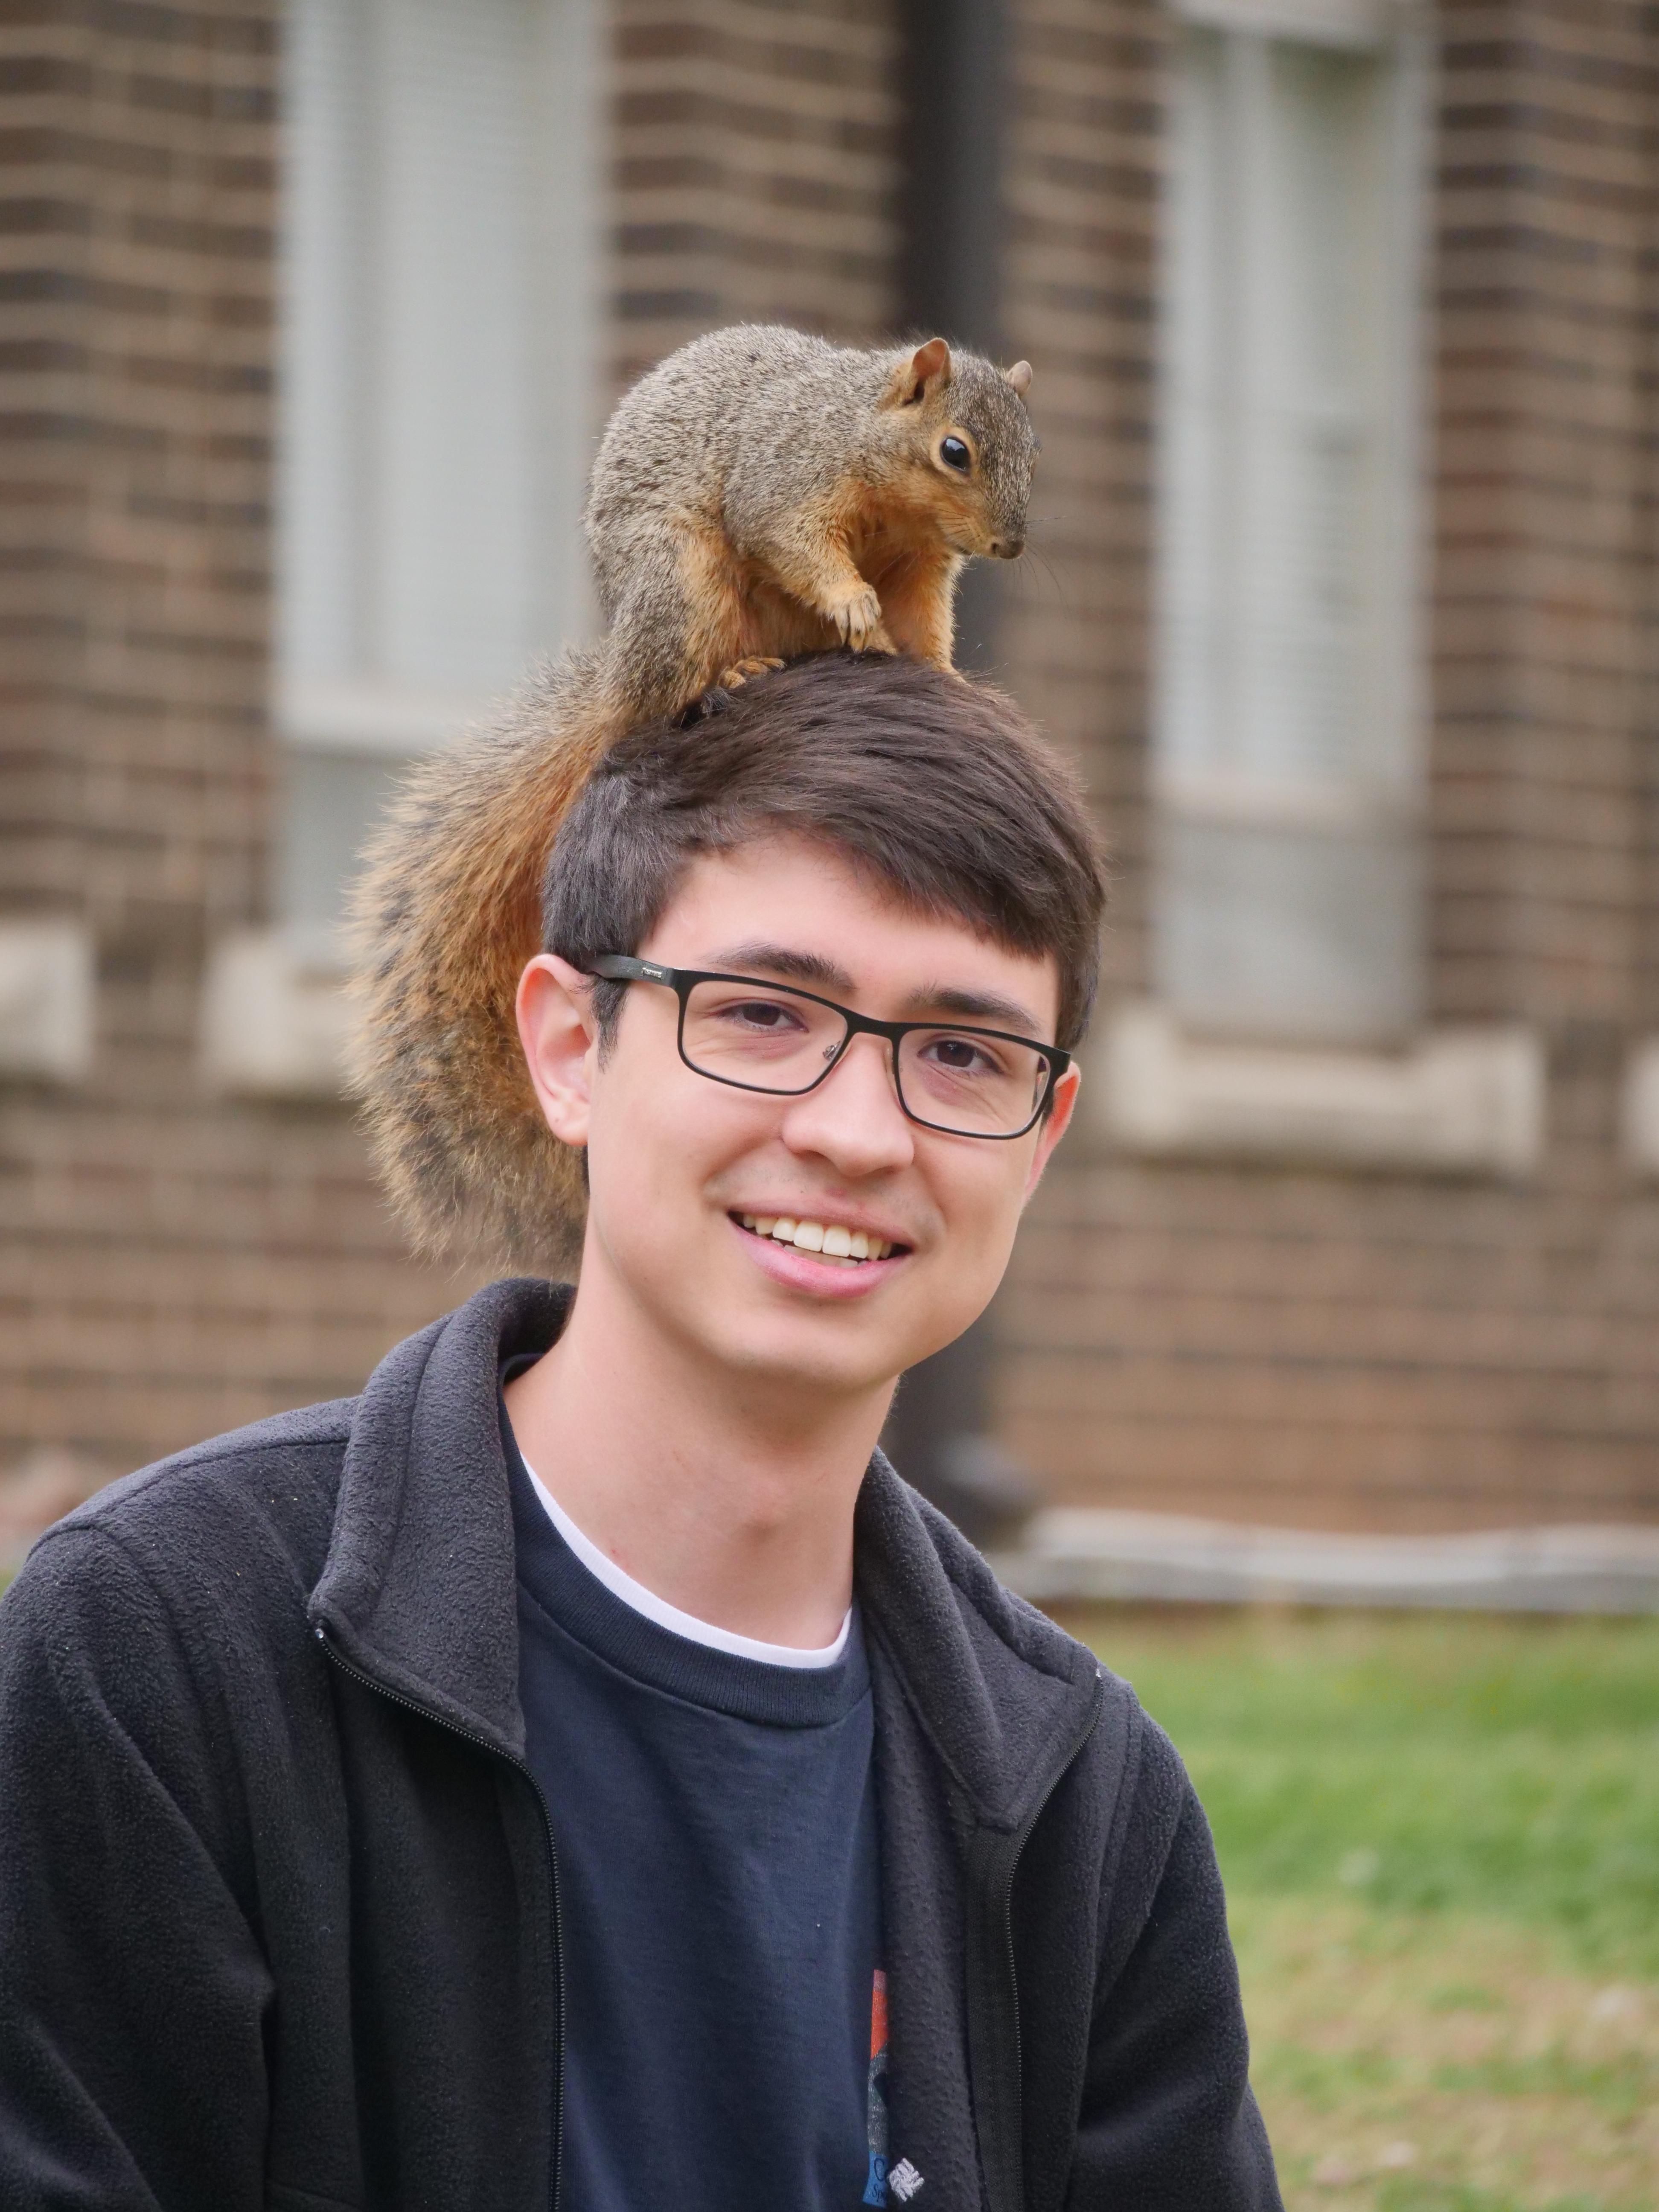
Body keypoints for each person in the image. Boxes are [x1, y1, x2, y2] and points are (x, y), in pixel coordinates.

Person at [0, 652, 1280, 2211]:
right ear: (567, 1049)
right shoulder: (157, 1654)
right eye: (759, 1013)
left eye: (962, 1053)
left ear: (1045, 1133)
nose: (857, 1132)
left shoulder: (1091, 1805)